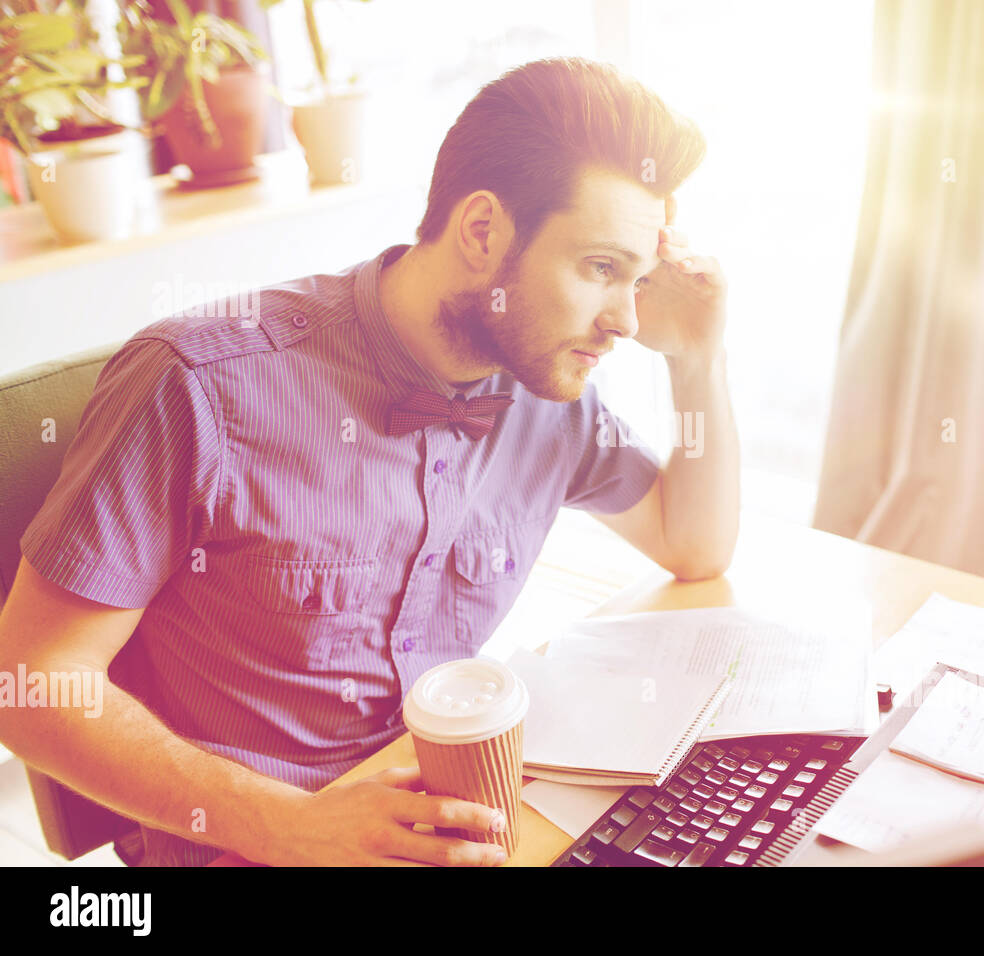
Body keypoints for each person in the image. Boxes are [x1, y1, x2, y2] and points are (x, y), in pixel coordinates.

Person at [0, 57, 739, 866]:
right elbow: (33, 685)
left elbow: (692, 543)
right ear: (483, 231)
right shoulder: (197, 388)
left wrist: (697, 359)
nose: (626, 320)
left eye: (637, 280)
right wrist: (290, 826)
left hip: (458, 821)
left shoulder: (544, 393)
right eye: (601, 269)